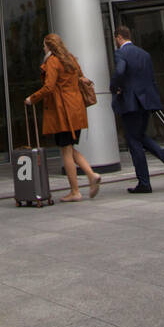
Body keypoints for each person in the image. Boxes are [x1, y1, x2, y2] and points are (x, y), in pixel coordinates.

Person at [25, 33, 101, 202]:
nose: (42, 47)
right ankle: (91, 175)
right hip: (77, 110)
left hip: (63, 112)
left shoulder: (52, 61)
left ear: (50, 46)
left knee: (65, 151)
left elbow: (49, 87)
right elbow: (81, 78)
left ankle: (75, 191)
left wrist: (32, 98)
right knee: (70, 148)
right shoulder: (71, 59)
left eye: (44, 45)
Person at [110, 25, 164, 194]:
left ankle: (144, 182)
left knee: (133, 141)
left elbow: (120, 71)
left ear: (119, 38)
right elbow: (150, 78)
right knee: (139, 136)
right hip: (146, 102)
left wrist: (115, 87)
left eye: (115, 39)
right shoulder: (144, 54)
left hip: (130, 103)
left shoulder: (121, 53)